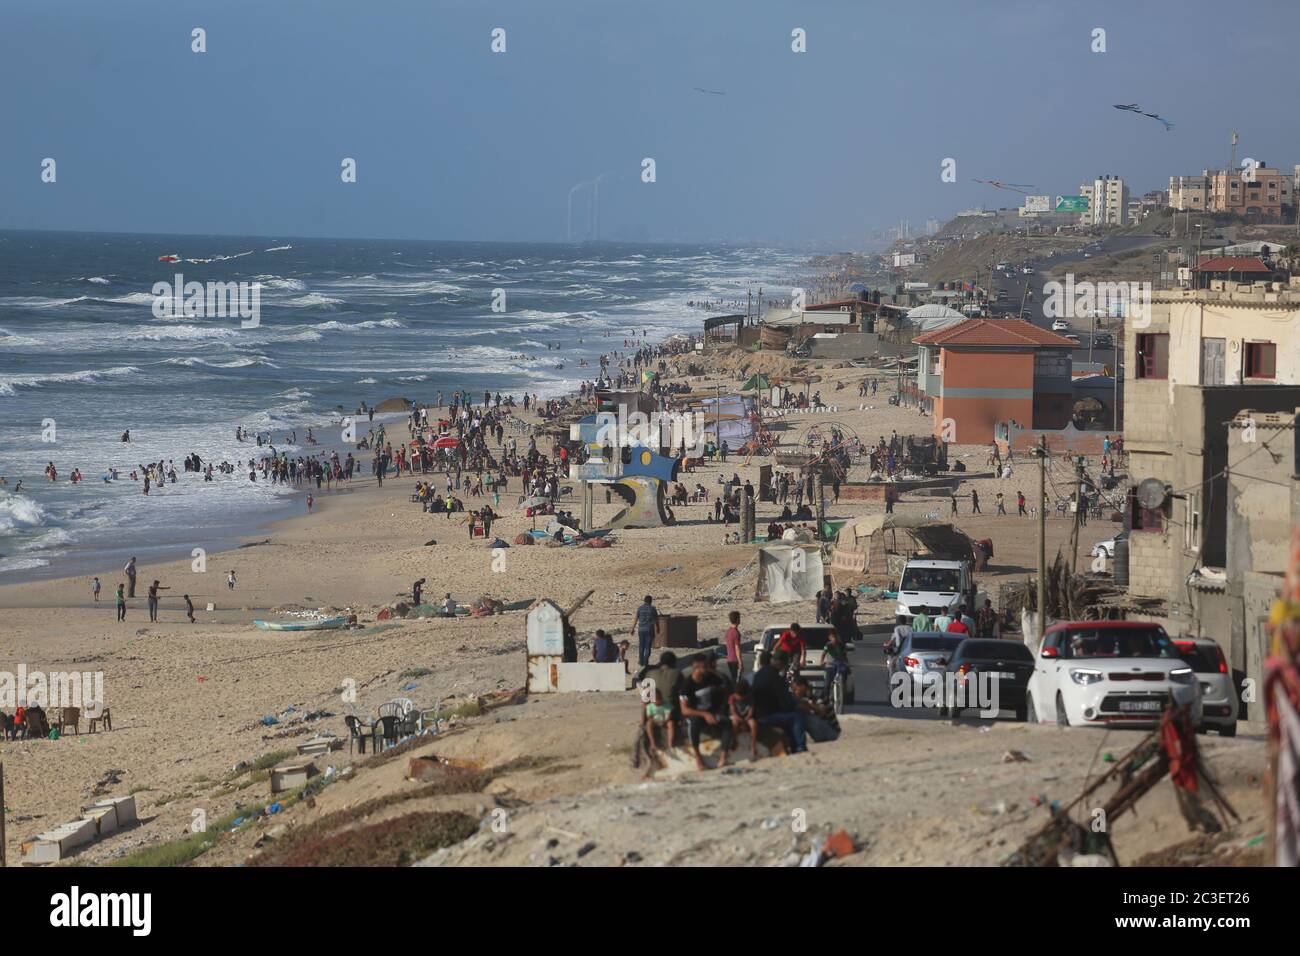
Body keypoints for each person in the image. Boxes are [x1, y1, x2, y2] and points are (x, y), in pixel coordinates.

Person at [678, 656, 733, 770]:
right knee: (694, 724)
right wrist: (704, 714)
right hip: (696, 714)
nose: (707, 669)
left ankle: (723, 757)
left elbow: (725, 692)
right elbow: (685, 709)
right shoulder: (687, 685)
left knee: (727, 723)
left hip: (713, 712)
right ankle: (698, 758)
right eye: (704, 667)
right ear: (695, 668)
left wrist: (720, 708)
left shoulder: (713, 678)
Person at [751, 651, 807, 754]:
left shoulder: (759, 674)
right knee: (797, 717)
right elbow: (785, 702)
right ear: (780, 663)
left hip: (758, 715)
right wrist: (796, 706)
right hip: (766, 716)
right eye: (785, 664)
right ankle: (800, 747)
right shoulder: (776, 678)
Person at [792, 677, 841, 742]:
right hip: (822, 732)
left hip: (832, 732)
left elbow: (822, 711)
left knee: (802, 716)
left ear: (803, 686)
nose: (795, 692)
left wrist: (807, 705)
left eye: (796, 689)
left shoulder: (817, 694)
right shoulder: (805, 698)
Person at [729, 681, 759, 760]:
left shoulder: (750, 697)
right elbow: (733, 711)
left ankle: (753, 745)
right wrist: (739, 719)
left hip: (747, 717)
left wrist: (746, 719)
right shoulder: (732, 698)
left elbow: (751, 711)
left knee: (753, 724)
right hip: (736, 716)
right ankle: (735, 741)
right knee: (734, 723)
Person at [820, 630, 851, 702]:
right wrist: (821, 661)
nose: (834, 639)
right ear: (829, 638)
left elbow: (844, 656)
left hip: (839, 664)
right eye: (832, 637)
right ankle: (826, 698)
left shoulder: (841, 645)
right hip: (830, 665)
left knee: (844, 671)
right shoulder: (828, 645)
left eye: (835, 637)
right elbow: (823, 654)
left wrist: (847, 664)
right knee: (827, 684)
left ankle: (842, 688)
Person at [633, 594, 659, 668]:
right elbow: (656, 620)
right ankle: (646, 661)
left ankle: (641, 661)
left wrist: (632, 628)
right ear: (651, 601)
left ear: (644, 601)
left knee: (641, 646)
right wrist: (658, 628)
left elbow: (636, 619)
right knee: (648, 646)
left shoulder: (640, 608)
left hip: (641, 630)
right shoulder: (653, 609)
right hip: (649, 629)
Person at [723, 610, 742, 681]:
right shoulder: (736, 632)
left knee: (733, 678)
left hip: (729, 659)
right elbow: (737, 648)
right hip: (735, 660)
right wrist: (740, 662)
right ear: (737, 619)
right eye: (739, 618)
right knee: (737, 680)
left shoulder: (728, 632)